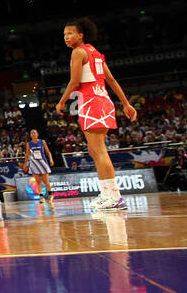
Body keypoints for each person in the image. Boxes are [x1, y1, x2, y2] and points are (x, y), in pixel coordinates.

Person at [54, 17, 137, 211]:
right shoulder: (95, 53)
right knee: (94, 150)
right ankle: (107, 194)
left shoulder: (78, 52)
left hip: (92, 102)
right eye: (64, 34)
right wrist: (125, 103)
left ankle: (114, 196)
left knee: (99, 151)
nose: (66, 37)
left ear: (80, 35)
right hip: (101, 101)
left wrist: (61, 101)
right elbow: (112, 79)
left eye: (70, 33)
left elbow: (74, 83)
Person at [23, 129, 54, 200]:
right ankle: (41, 197)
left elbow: (48, 152)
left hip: (43, 162)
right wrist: (25, 164)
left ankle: (50, 194)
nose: (33, 134)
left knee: (46, 181)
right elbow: (27, 154)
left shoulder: (42, 142)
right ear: (30, 135)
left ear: (37, 134)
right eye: (31, 133)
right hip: (34, 163)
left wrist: (51, 159)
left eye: (34, 133)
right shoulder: (29, 144)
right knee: (38, 181)